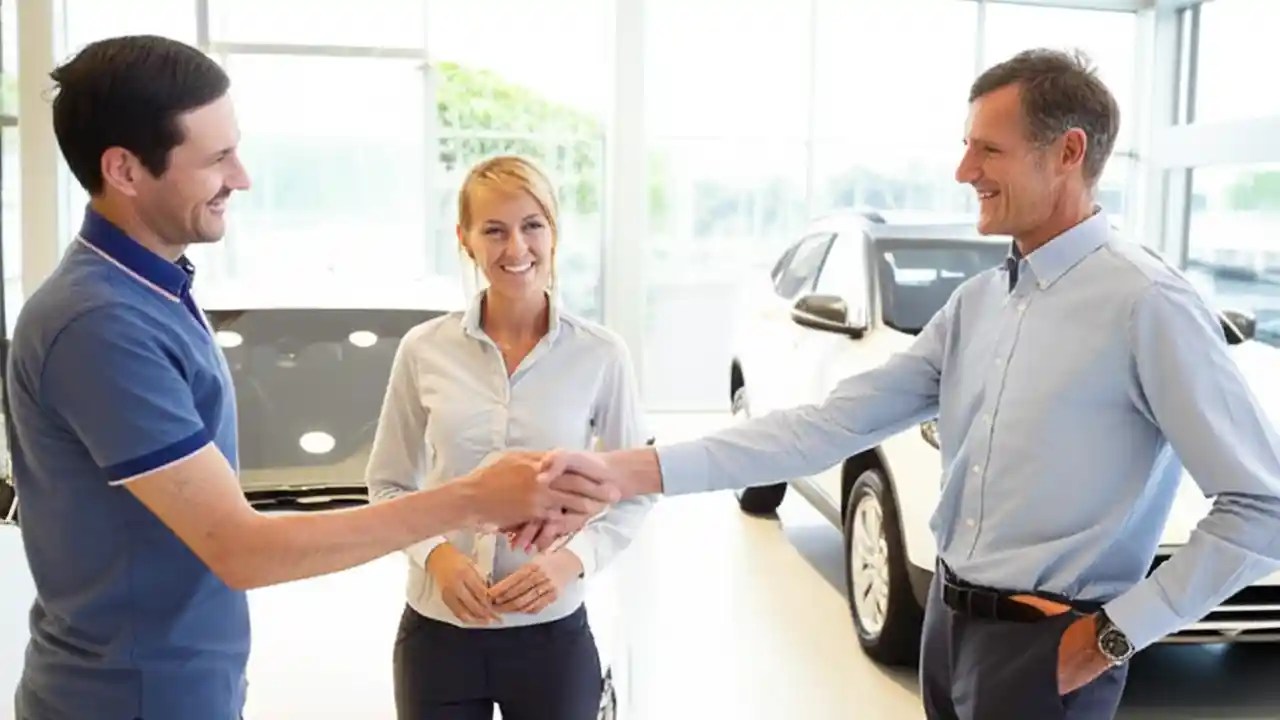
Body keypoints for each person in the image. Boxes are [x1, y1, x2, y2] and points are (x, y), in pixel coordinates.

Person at [521, 48, 1280, 720]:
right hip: (947, 627)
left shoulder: (1148, 304)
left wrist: (1110, 638)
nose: (964, 172)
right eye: (965, 147)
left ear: (1068, 152)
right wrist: (624, 472)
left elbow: (1258, 507)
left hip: (1050, 644)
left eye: (989, 149)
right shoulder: (982, 302)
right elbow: (824, 425)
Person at [6, 36, 614, 720]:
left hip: (176, 686)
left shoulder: (154, 293)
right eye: (216, 159)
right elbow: (241, 550)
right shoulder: (98, 324)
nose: (243, 178)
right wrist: (471, 499)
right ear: (124, 169)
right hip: (129, 699)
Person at [365, 155, 656, 720]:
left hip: (552, 637)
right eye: (493, 230)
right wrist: (438, 558)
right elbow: (388, 484)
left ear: (554, 233)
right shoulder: (424, 350)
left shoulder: (600, 354)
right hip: (437, 635)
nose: (515, 247)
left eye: (531, 226)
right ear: (465, 240)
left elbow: (636, 490)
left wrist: (571, 562)